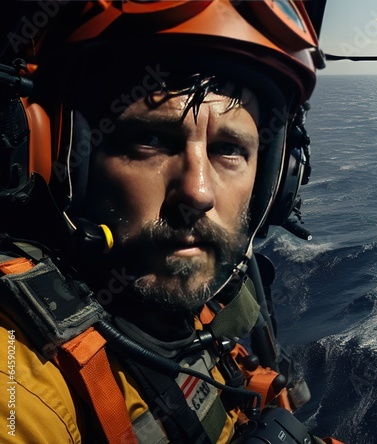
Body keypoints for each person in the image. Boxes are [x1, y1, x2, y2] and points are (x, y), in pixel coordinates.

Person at [0, 2, 338, 443]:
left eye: (228, 150)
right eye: (151, 140)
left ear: (276, 183)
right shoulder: (22, 387)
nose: (198, 193)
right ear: (54, 157)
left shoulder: (209, 299)